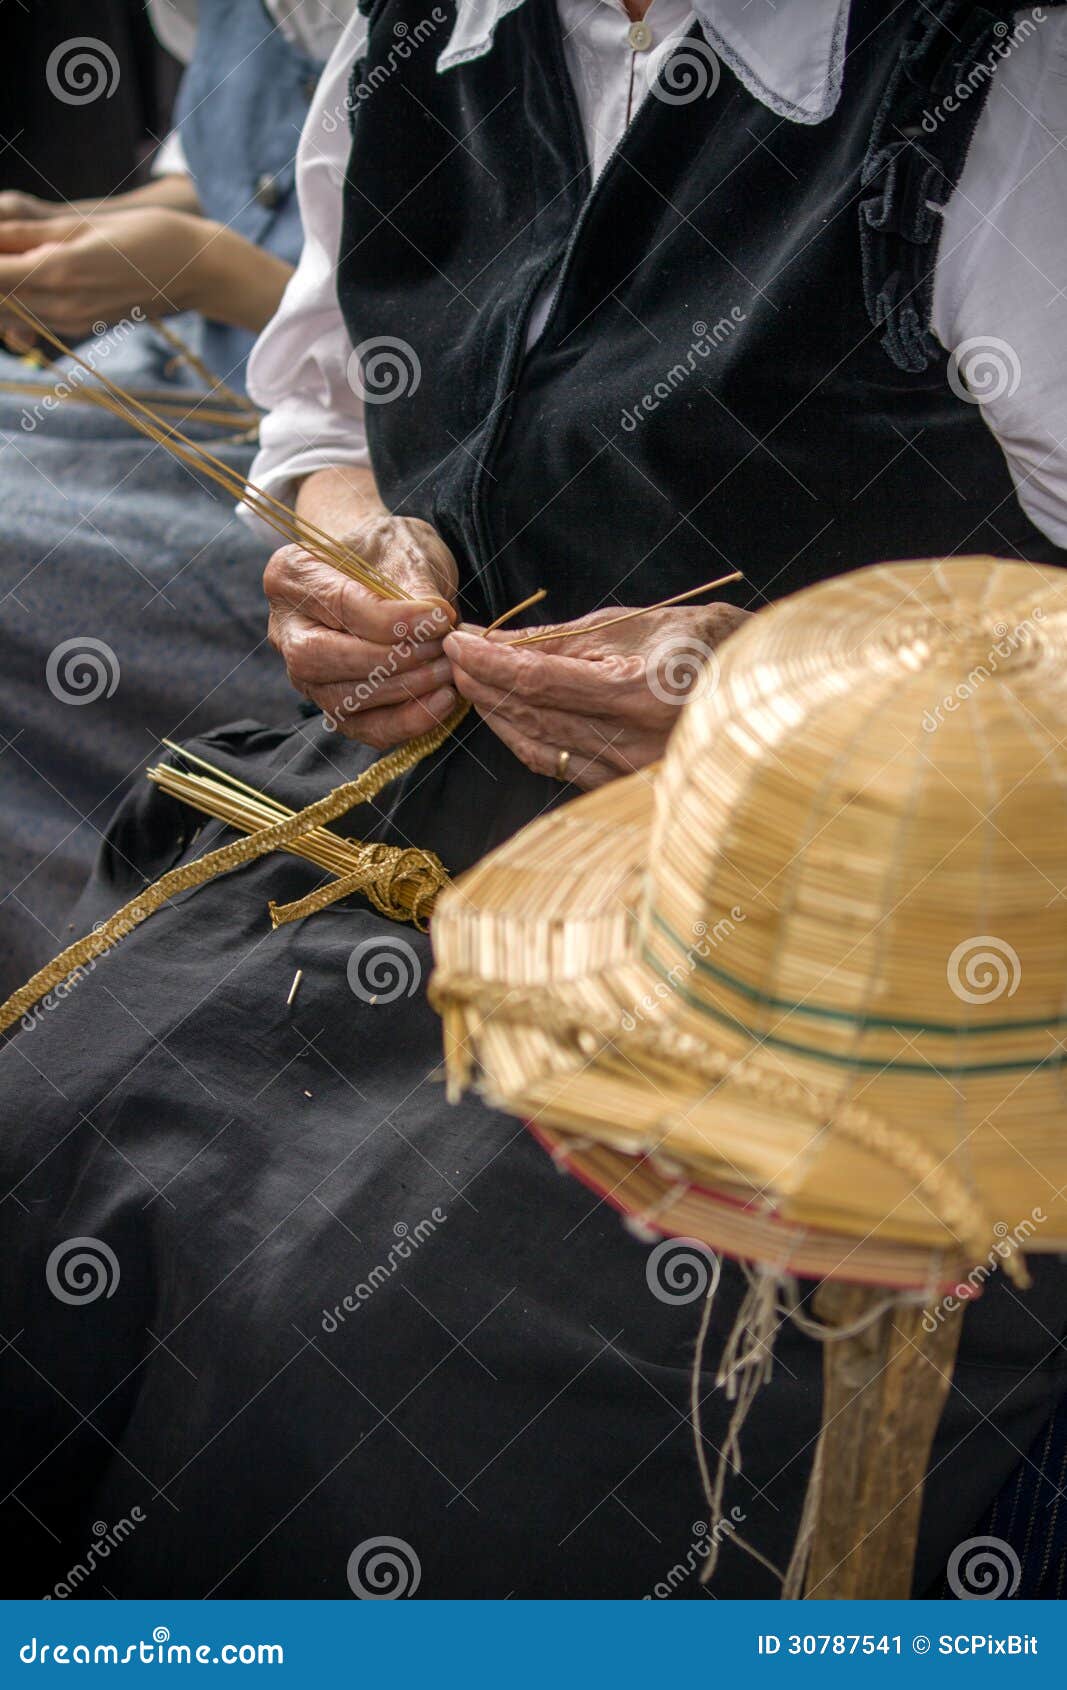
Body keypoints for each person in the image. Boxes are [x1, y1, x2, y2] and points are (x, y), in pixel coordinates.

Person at [1, 0, 1066, 1599]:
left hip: (870, 949)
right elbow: (331, 425)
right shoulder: (421, 41)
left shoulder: (994, 92)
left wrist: (792, 704)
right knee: (55, 1128)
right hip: (424, 829)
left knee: (349, 1349)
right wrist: (358, 555)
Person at [0, 0, 356, 990]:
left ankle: (84, 994)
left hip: (314, 466)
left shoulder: (486, 39)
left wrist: (200, 271)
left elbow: (427, 357)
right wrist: (66, 237)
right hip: (177, 360)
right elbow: (232, 180)